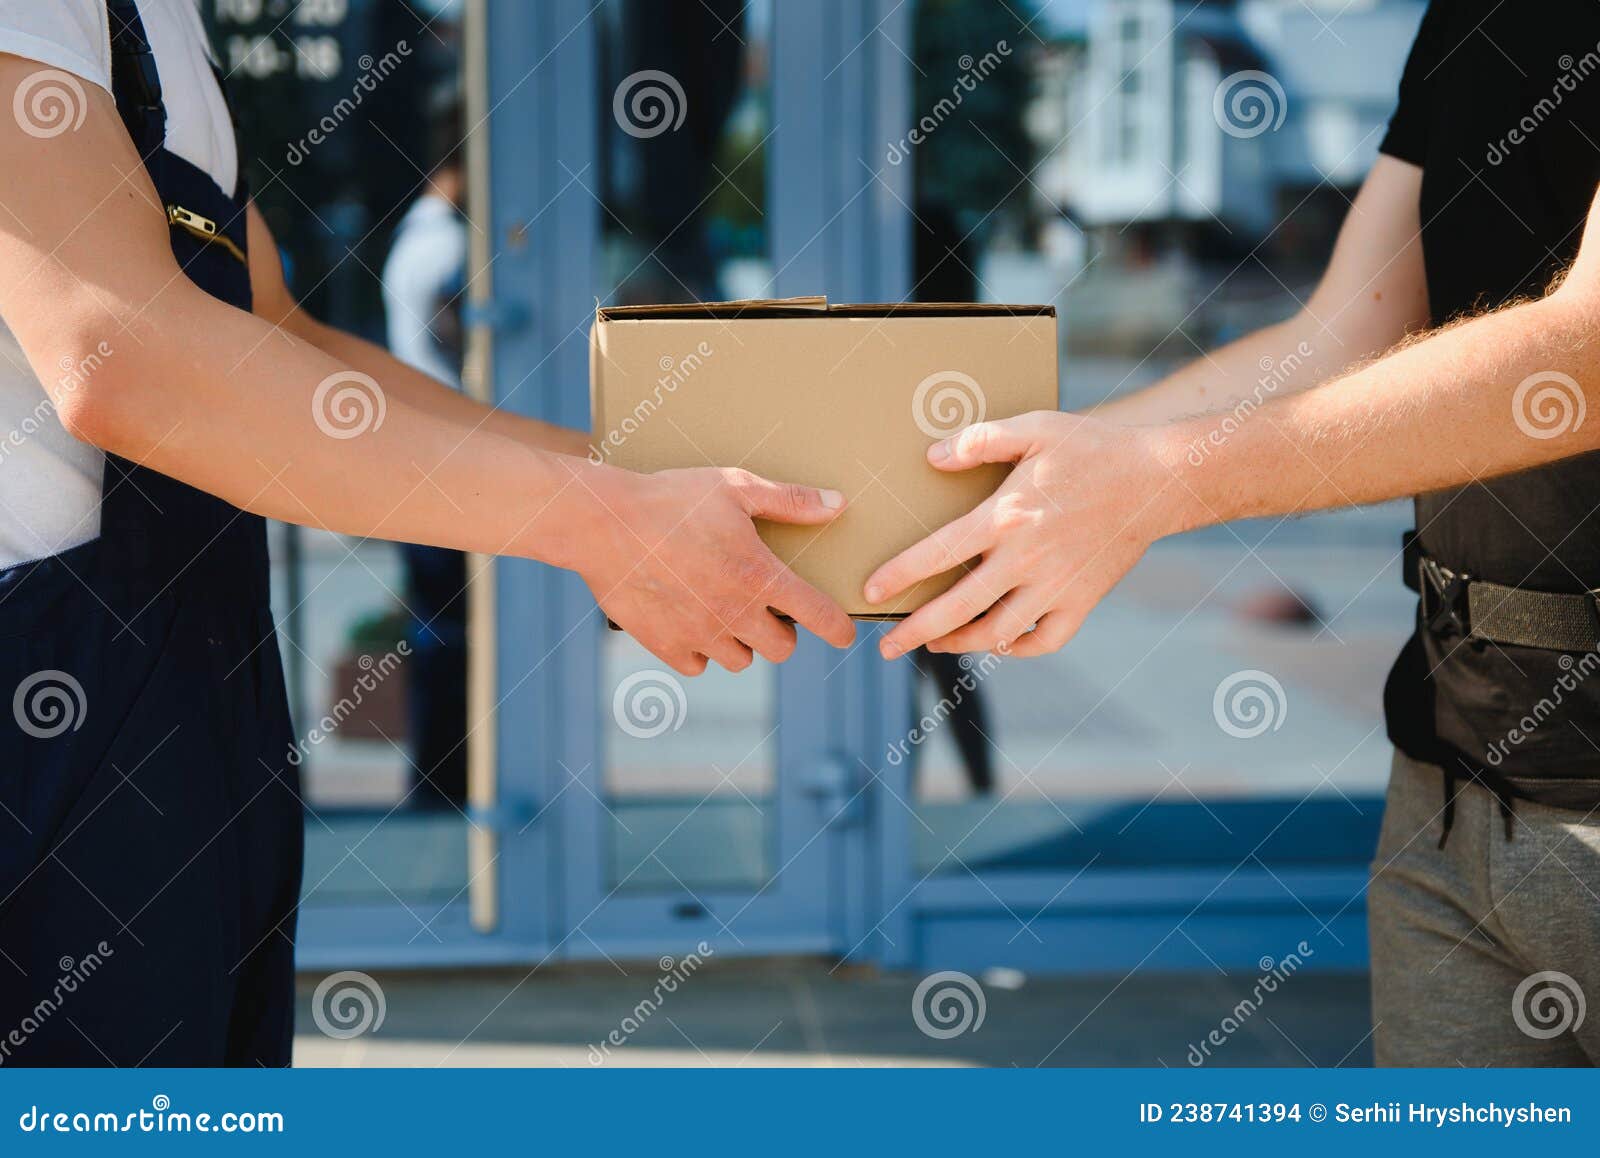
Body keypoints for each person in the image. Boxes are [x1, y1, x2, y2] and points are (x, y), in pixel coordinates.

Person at [0, 0, 851, 1066]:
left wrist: (627, 483)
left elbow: (281, 338)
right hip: (47, 718)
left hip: (191, 697)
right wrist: (599, 522)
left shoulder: (164, 22)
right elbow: (121, 359)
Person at [868, 3, 1600, 1065]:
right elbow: (1342, 334)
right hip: (1452, 785)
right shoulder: (1467, 18)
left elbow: (1582, 357)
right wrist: (1028, 482)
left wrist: (1149, 488)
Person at [382, 89, 472, 809]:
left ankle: (436, 780)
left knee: (438, 626)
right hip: (451, 463)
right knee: (452, 631)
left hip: (419, 462)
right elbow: (460, 346)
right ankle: (446, 781)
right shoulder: (451, 248)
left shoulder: (413, 237)